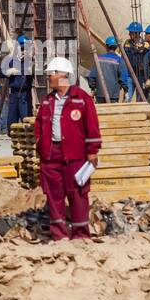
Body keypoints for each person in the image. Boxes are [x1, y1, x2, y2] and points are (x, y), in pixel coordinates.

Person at [34, 56, 101, 241]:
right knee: (54, 196)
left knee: (78, 194)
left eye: (52, 74)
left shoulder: (81, 99)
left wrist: (92, 150)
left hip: (76, 155)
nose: (49, 77)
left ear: (63, 75)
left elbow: (92, 126)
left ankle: (80, 235)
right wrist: (41, 144)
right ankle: (59, 236)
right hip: (51, 155)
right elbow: (39, 125)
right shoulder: (48, 101)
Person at [3, 33, 35, 129]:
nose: (22, 51)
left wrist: (30, 65)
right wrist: (8, 71)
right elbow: (1, 72)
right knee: (11, 124)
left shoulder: (31, 61)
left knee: (26, 122)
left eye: (24, 49)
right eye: (21, 49)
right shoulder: (12, 61)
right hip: (13, 94)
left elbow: (37, 73)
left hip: (25, 95)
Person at [90, 36, 124, 103]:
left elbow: (92, 76)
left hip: (100, 93)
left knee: (102, 112)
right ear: (116, 47)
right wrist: (124, 90)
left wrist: (92, 89)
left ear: (106, 46)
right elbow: (123, 77)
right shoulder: (119, 60)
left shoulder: (98, 59)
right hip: (114, 95)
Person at [123, 22, 144, 104]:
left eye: (131, 32)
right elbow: (123, 59)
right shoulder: (127, 43)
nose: (129, 34)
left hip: (140, 77)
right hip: (129, 76)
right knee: (127, 98)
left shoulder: (144, 44)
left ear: (137, 33)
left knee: (140, 100)